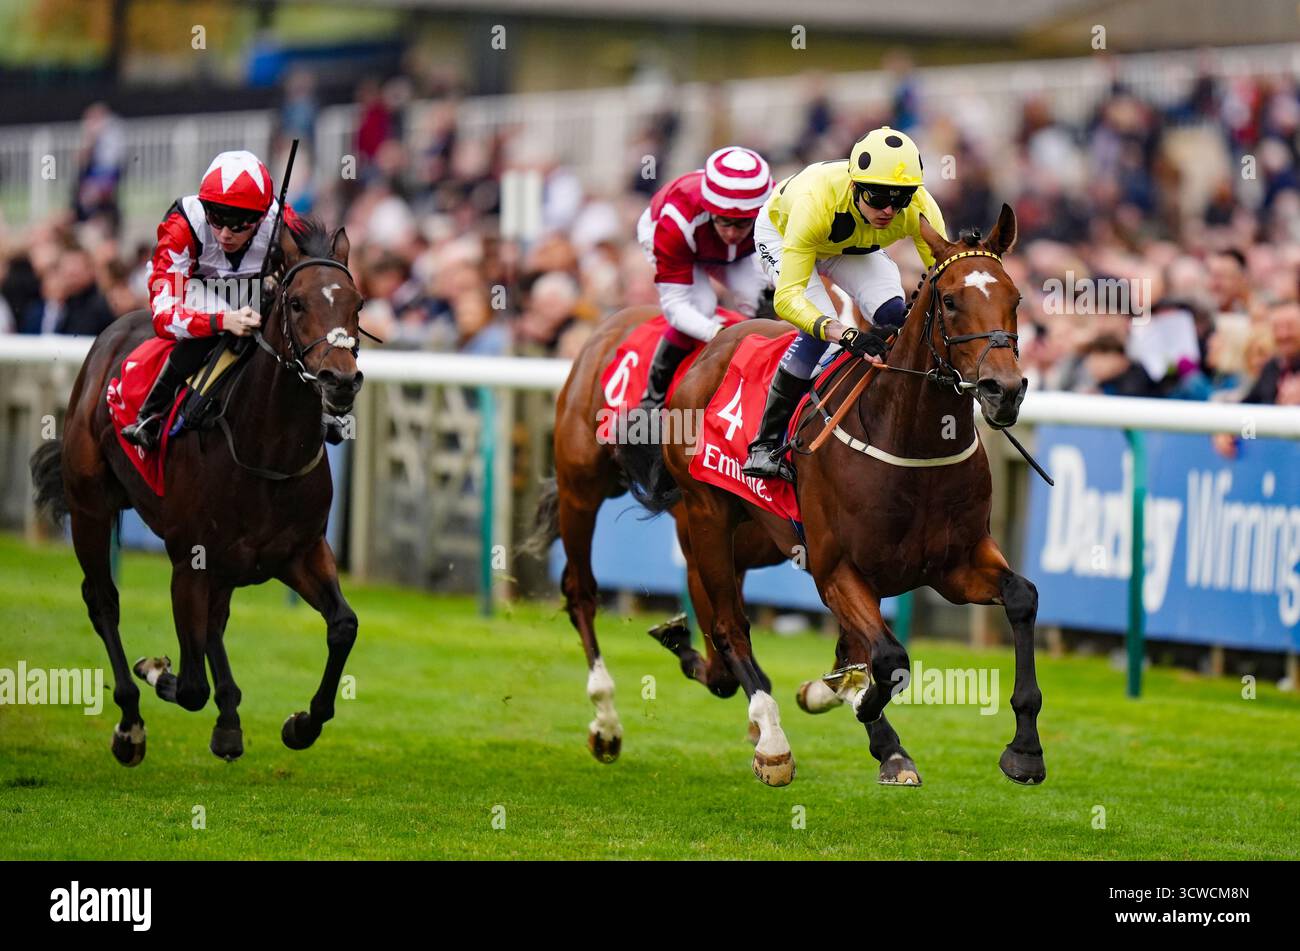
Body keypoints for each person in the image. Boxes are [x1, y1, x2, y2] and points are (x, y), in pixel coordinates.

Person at [742, 126, 948, 481]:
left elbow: (944, 272)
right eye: (878, 197)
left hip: (850, 245)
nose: (888, 210)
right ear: (854, 186)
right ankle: (764, 444)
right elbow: (788, 299)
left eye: (900, 199)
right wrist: (848, 335)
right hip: (786, 234)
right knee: (818, 329)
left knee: (893, 315)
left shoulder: (920, 206)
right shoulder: (815, 203)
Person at [121, 150, 294, 450]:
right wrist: (221, 321)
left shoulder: (284, 222)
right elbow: (164, 317)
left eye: (240, 223)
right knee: (215, 326)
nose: (226, 233)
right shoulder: (182, 226)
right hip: (192, 287)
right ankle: (151, 414)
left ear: (262, 216)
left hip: (251, 288)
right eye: (216, 218)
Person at [632, 146, 773, 416]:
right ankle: (652, 399)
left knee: (757, 297)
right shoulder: (676, 222)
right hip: (670, 233)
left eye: (742, 223)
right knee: (702, 305)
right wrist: (721, 336)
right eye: (724, 221)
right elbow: (676, 306)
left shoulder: (774, 205)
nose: (731, 233)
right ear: (710, 209)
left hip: (715, 240)